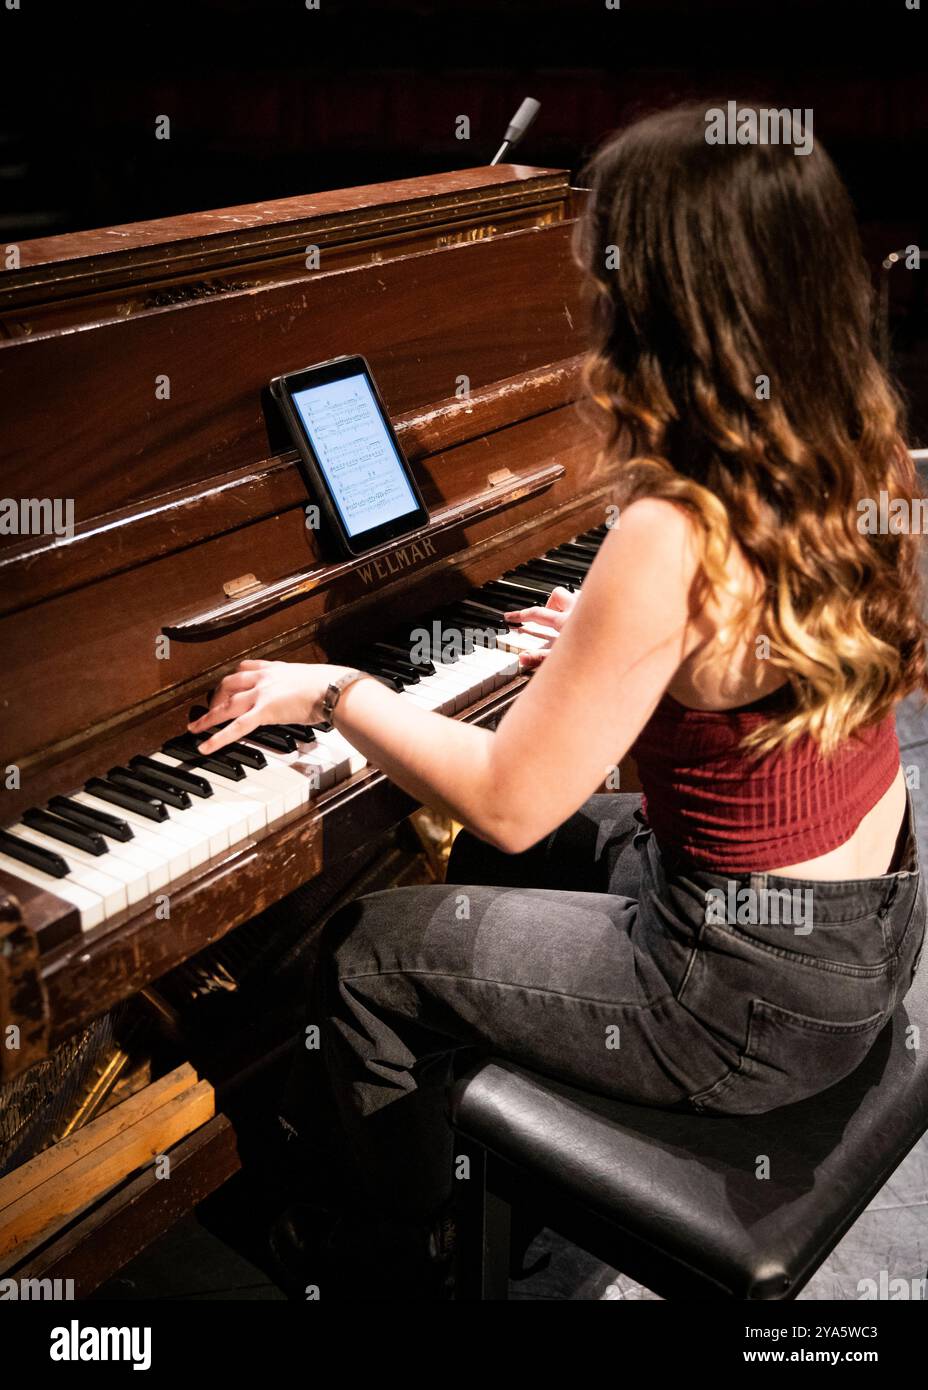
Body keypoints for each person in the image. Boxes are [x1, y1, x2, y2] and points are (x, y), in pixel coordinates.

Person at [189, 103, 928, 1299]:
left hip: (746, 997)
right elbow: (759, 685)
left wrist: (336, 690)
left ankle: (379, 1262)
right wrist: (618, 667)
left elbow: (514, 800)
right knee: (525, 863)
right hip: (870, 928)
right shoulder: (852, 437)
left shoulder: (670, 524)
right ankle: (485, 1164)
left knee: (367, 951)